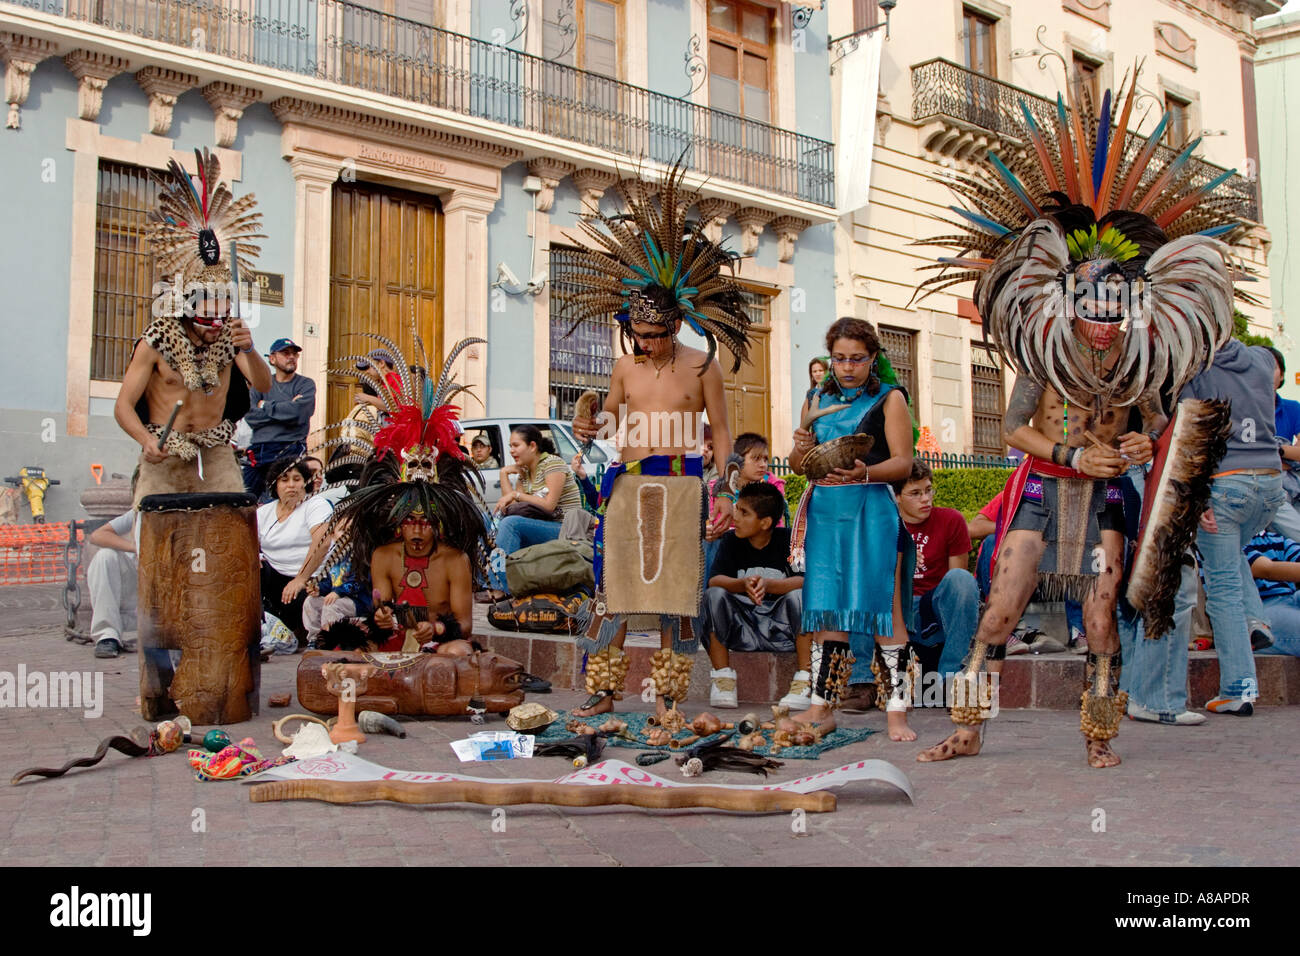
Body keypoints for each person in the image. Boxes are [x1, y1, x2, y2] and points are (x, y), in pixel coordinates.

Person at [914, 70, 1243, 768]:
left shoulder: (1142, 362)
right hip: (1041, 494)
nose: (1099, 320)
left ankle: (1099, 737)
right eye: (1088, 305)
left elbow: (1159, 427)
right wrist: (1069, 455)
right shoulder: (1046, 356)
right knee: (1000, 611)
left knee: (1099, 620)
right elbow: (1012, 431)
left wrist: (1137, 441)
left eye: (1112, 307)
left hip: (1105, 507)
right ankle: (969, 729)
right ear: (1067, 298)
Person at [564, 157, 751, 717]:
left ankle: (669, 698)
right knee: (615, 587)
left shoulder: (703, 366)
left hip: (683, 483)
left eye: (655, 335)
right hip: (628, 483)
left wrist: (724, 488)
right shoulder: (625, 366)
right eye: (638, 335)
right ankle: (603, 690)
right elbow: (611, 419)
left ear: (675, 325)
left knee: (676, 594)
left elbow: (721, 434)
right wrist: (590, 421)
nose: (646, 344)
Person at [115, 149, 271, 505]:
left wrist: (248, 348)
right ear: (188, 309)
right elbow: (123, 405)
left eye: (223, 314)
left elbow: (264, 385)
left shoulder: (231, 340)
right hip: (165, 452)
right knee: (160, 542)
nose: (217, 326)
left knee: (232, 530)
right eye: (208, 319)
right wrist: (146, 440)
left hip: (215, 453)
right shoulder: (156, 341)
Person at [321, 333, 490, 653]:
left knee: (457, 653)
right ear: (396, 522)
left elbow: (464, 625)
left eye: (425, 521)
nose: (417, 529)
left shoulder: (456, 561)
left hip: (439, 645)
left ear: (439, 522)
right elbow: (381, 610)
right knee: (346, 651)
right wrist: (381, 618)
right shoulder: (384, 556)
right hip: (395, 644)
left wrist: (437, 628)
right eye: (410, 520)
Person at [789, 317, 916, 739]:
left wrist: (865, 474)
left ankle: (896, 711)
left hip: (872, 511)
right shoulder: (814, 397)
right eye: (839, 359)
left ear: (873, 358)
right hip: (825, 511)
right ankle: (821, 708)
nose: (846, 367)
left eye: (856, 359)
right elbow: (797, 466)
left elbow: (903, 461)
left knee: (885, 609)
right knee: (828, 608)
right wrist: (800, 447)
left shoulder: (890, 398)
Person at [1182, 338, 1285, 716]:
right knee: (1232, 559)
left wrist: (1197, 496)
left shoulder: (1193, 366)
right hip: (1270, 482)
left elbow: (1189, 438)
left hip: (1227, 483)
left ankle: (1238, 689)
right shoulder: (1259, 358)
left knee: (1222, 587)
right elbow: (1272, 381)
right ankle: (1255, 620)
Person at [701, 482, 809, 709]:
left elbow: (804, 580)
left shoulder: (788, 541)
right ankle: (723, 679)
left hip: (781, 631)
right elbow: (714, 580)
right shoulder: (732, 541)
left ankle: (805, 680)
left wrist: (769, 585)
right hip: (743, 627)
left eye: (744, 512)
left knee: (800, 596)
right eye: (736, 509)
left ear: (765, 522)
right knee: (713, 596)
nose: (736, 518)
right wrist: (741, 584)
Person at [895, 461, 979, 686]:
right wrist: (902, 566)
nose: (925, 498)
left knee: (963, 579)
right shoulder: (884, 526)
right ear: (897, 497)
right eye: (915, 493)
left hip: (936, 610)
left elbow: (958, 586)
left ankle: (950, 677)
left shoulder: (951, 520)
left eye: (928, 490)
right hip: (897, 610)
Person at [484, 425, 583, 599]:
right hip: (542, 525)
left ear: (532, 446)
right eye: (510, 446)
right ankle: (485, 580)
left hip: (565, 528)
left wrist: (517, 494)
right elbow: (510, 505)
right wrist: (504, 473)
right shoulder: (526, 471)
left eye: (516, 445)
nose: (512, 451)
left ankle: (500, 586)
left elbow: (549, 505)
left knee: (509, 524)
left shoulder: (552, 463)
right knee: (485, 519)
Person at [257, 459, 334, 644]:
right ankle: (257, 632)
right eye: (284, 480)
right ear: (275, 485)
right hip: (276, 578)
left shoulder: (316, 504)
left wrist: (300, 579)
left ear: (306, 482)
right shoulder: (263, 513)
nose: (291, 485)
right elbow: (249, 544)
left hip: (313, 578)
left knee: (302, 603)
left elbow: (322, 542)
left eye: (297, 479)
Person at [242, 338, 316, 501]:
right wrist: (287, 407)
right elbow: (251, 417)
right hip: (259, 451)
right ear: (272, 358)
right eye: (285, 353)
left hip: (290, 449)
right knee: (242, 501)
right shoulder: (259, 385)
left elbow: (299, 413)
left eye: (294, 354)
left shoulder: (305, 384)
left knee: (281, 501)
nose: (291, 357)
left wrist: (265, 405)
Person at [86, 507, 138, 659]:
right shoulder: (139, 510)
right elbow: (98, 535)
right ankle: (107, 636)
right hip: (136, 589)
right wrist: (136, 548)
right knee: (105, 556)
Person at [1244, 529, 1300, 657]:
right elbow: (1266, 569)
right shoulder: (1223, 541)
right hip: (1259, 610)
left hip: (1290, 599)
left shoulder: (1273, 538)